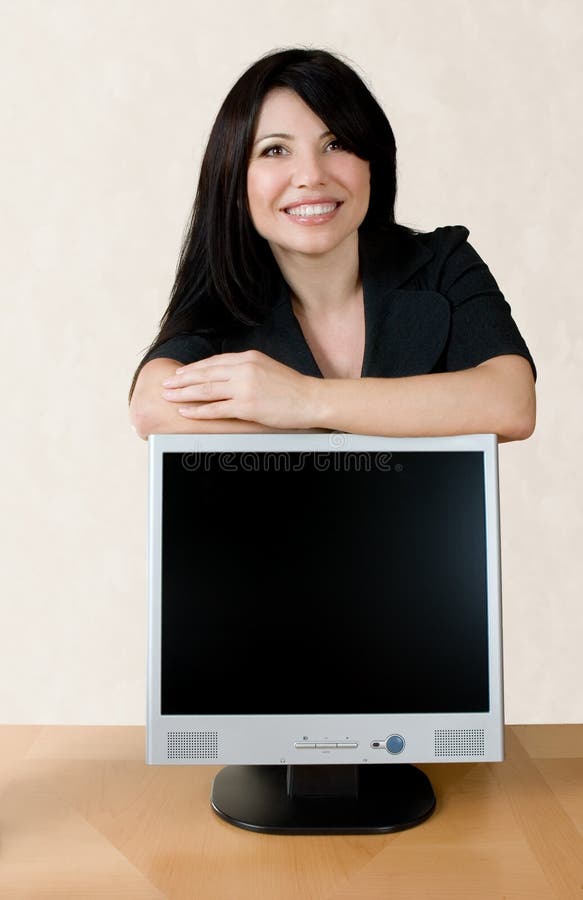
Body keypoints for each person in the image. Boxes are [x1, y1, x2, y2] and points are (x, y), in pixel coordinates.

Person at [128, 47, 536, 443]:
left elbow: (512, 403)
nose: (310, 175)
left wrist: (303, 400)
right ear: (235, 184)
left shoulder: (441, 262)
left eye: (336, 144)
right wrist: (372, 422)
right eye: (275, 150)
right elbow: (152, 406)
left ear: (372, 164)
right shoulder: (223, 302)